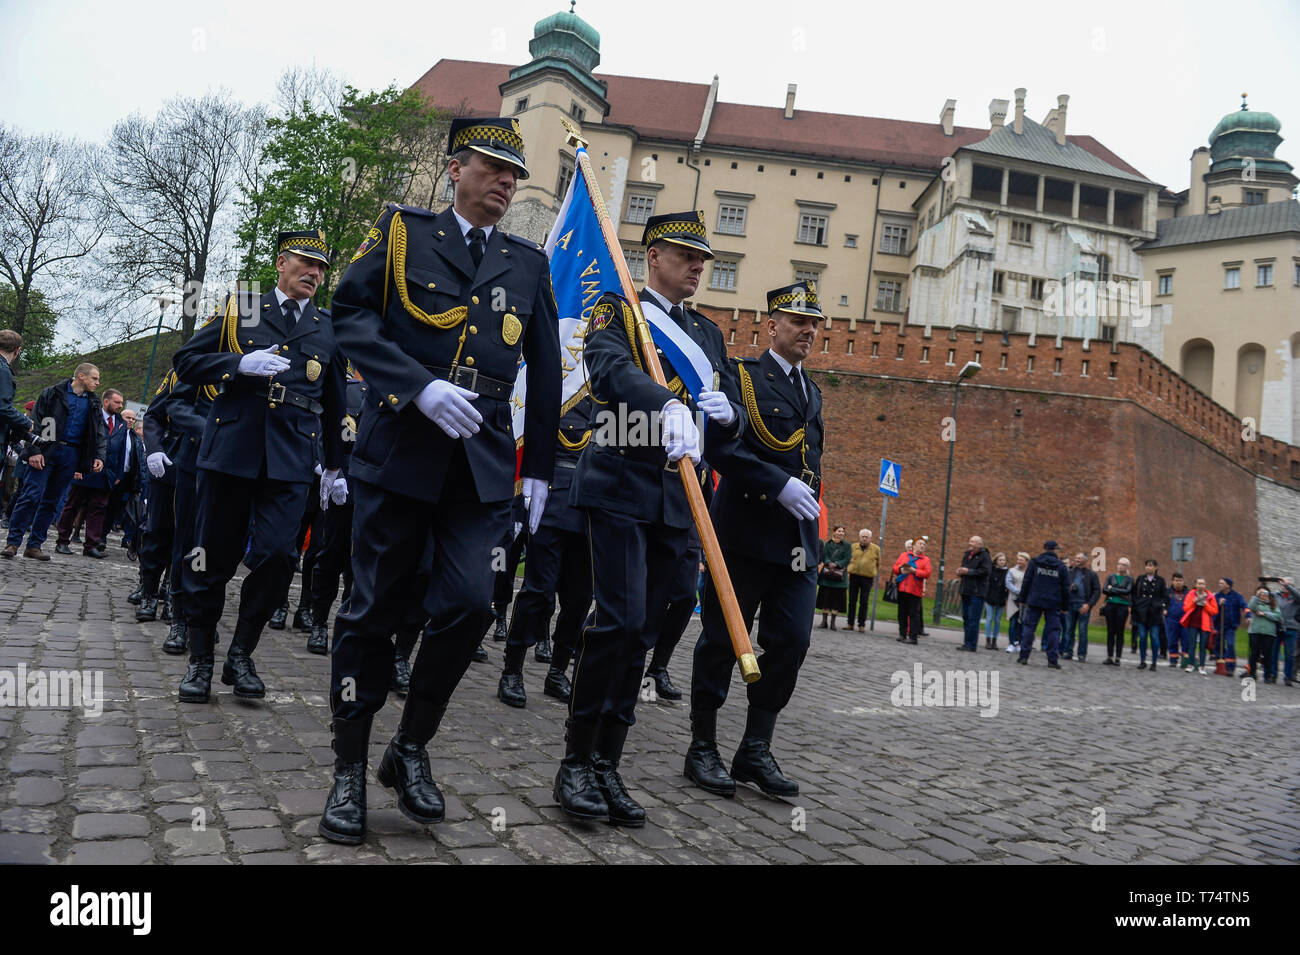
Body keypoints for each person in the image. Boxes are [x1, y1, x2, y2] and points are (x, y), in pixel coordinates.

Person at [318, 118, 560, 845]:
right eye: (492, 167)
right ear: (456, 169)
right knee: (371, 609)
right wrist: (415, 387)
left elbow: (546, 369)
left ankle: (411, 743)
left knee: (467, 606)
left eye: (514, 172)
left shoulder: (527, 263)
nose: (506, 182)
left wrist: (539, 468)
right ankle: (349, 767)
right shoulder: (402, 233)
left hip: (480, 460)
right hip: (401, 447)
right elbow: (350, 317)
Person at [556, 209, 739, 827]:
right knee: (620, 620)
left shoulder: (708, 335)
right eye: (686, 256)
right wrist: (666, 404)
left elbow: (725, 409)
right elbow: (608, 372)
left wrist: (728, 416)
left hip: (676, 497)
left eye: (703, 260)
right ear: (653, 255)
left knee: (650, 628)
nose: (697, 268)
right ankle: (576, 760)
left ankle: (610, 761)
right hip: (619, 480)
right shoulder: (618, 308)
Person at [172, 230, 347, 704]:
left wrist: (335, 466)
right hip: (233, 449)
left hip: (291, 458)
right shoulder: (242, 306)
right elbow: (186, 362)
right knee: (212, 557)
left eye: (321, 268)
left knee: (276, 557)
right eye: (306, 262)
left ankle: (241, 654)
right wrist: (237, 365)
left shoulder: (328, 326)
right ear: (281, 262)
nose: (314, 273)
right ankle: (201, 661)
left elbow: (336, 401)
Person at [685, 281, 823, 801]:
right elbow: (719, 450)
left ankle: (755, 746)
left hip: (797, 544)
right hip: (742, 536)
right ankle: (703, 745)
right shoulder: (740, 377)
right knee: (721, 642)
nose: (808, 330)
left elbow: (810, 463)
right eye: (797, 321)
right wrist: (776, 485)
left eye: (814, 323)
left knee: (792, 641)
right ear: (772, 325)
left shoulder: (814, 392)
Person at [496, 396, 595, 708]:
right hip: (551, 499)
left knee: (580, 595)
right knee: (539, 589)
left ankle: (558, 670)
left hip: (593, 507)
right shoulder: (561, 395)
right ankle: (512, 669)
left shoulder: (612, 402)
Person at [3, 363, 107, 561]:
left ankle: (34, 545)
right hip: (47, 448)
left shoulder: (93, 403)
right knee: (31, 495)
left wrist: (99, 456)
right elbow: (36, 422)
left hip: (71, 454)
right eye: (94, 378)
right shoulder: (52, 393)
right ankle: (13, 542)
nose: (97, 383)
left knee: (53, 501)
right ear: (81, 376)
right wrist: (34, 450)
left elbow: (98, 432)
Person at [307, 367, 368, 655]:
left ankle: (349, 624)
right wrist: (335, 469)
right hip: (344, 483)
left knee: (362, 566)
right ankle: (318, 622)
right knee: (331, 553)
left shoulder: (394, 396)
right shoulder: (346, 390)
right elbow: (326, 427)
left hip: (375, 490)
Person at [52, 388, 128, 558]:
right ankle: (63, 540)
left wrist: (118, 474)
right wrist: (77, 467)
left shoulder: (121, 423)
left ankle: (91, 545)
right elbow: (79, 440)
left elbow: (122, 450)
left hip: (106, 474)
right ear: (106, 401)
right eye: (117, 402)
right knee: (72, 506)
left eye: (121, 403)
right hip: (86, 470)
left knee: (98, 509)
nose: (120, 406)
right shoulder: (91, 416)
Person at [1016, 541, 1069, 668]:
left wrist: (1022, 598)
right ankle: (1052, 660)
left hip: (1035, 599)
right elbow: (1065, 588)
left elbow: (1027, 581)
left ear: (1045, 549)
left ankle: (1023, 656)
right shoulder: (1061, 566)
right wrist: (1065, 607)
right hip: (1053, 602)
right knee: (1053, 631)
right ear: (1055, 550)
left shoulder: (1035, 563)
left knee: (1029, 628)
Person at [1060, 551, 1100, 661]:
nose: (1077, 560)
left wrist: (1088, 604)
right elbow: (1063, 587)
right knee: (1068, 630)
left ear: (1086, 560)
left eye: (1080, 558)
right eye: (1076, 558)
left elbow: (1097, 591)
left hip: (1083, 606)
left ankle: (1082, 654)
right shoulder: (1069, 573)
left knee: (1082, 631)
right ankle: (1067, 651)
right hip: (1070, 604)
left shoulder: (1091, 575)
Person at [1131, 559, 1168, 670]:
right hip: (1141, 612)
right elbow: (1134, 594)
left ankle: (1154, 662)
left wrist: (1161, 605)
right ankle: (1142, 660)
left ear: (1156, 567)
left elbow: (1165, 596)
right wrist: (1136, 605)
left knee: (1154, 637)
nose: (1148, 567)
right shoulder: (1140, 579)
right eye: (1147, 565)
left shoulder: (1161, 581)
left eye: (1151, 566)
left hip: (1154, 613)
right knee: (1142, 637)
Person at [893, 537, 931, 644]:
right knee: (902, 613)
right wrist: (901, 569)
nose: (922, 546)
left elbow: (927, 573)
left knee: (914, 614)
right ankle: (902, 634)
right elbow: (895, 568)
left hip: (915, 590)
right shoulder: (904, 555)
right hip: (903, 588)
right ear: (914, 545)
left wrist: (915, 571)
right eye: (920, 544)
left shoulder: (925, 560)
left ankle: (913, 637)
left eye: (924, 544)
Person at [957, 534, 991, 651]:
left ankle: (972, 644)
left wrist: (969, 571)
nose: (970, 544)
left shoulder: (985, 556)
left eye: (973, 542)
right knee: (966, 617)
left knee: (973, 618)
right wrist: (961, 571)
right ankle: (966, 642)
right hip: (966, 590)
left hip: (977, 592)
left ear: (979, 544)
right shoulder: (967, 555)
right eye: (970, 541)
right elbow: (964, 568)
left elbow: (986, 572)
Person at [1179, 577, 1218, 674]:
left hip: (1205, 624)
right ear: (1195, 585)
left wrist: (1206, 604)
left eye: (1203, 584)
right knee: (1192, 645)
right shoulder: (1191, 594)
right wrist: (1194, 601)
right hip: (1193, 623)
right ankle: (1191, 665)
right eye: (1199, 584)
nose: (1201, 586)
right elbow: (1186, 608)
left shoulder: (1210, 596)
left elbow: (1214, 611)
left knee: (1202, 646)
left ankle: (1202, 666)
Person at [1244, 585, 1282, 683]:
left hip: (1269, 633)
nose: (1263, 595)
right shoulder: (1256, 602)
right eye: (1261, 593)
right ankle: (1252, 673)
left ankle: (1267, 675)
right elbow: (1250, 607)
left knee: (1267, 654)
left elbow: (1278, 616)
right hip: (1255, 631)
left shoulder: (1273, 604)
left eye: (1265, 593)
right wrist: (1256, 596)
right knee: (1254, 653)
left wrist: (1265, 614)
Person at [1099, 558, 1133, 666]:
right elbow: (1104, 589)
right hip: (1110, 605)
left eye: (1123, 565)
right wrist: (1119, 591)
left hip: (1122, 606)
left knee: (1120, 632)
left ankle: (1118, 657)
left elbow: (1128, 591)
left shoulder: (1129, 579)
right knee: (1110, 631)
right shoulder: (1111, 577)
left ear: (1127, 567)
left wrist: (1112, 589)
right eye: (1119, 564)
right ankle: (1109, 656)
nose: (1121, 566)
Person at [846, 528, 880, 633]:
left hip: (867, 577)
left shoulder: (875, 549)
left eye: (866, 537)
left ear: (870, 538)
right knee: (852, 600)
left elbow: (878, 563)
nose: (864, 539)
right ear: (859, 537)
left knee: (864, 601)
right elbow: (848, 559)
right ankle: (850, 623)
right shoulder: (853, 547)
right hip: (854, 575)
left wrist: (874, 573)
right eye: (863, 537)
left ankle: (862, 624)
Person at [817, 525, 850, 630]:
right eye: (839, 531)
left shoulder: (847, 546)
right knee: (825, 599)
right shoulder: (827, 544)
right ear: (834, 532)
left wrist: (837, 564)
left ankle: (833, 623)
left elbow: (848, 558)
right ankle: (824, 621)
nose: (841, 533)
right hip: (827, 575)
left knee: (836, 600)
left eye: (842, 532)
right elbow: (823, 555)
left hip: (839, 576)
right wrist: (828, 563)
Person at [1212, 578, 1246, 676]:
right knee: (1219, 645)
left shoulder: (1236, 596)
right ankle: (1220, 666)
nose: (1219, 585)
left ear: (1228, 585)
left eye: (1222, 583)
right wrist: (1219, 604)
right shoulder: (1217, 596)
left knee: (1230, 644)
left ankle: (1230, 667)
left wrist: (1247, 614)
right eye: (1219, 583)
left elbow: (1244, 605)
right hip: (1219, 625)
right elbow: (1212, 608)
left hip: (1231, 625)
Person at [1273, 578, 1299, 687]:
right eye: (1283, 585)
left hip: (1291, 628)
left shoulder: (1295, 597)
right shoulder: (1276, 595)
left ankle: (1288, 677)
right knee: (1274, 653)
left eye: (1287, 585)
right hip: (1277, 627)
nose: (1284, 586)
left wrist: (1288, 586)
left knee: (1289, 654)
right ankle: (1272, 675)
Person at [1004, 552, 1028, 653]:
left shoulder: (1030, 572)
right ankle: (1011, 643)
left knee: (1022, 623)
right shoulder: (1012, 571)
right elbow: (1008, 583)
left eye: (1021, 560)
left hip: (1025, 601)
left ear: (1026, 561)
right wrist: (1018, 591)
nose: (1019, 562)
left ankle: (1019, 642)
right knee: (1013, 622)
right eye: (1018, 560)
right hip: (1013, 599)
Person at [983, 552, 1008, 649]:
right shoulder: (991, 571)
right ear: (996, 561)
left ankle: (994, 640)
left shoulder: (1007, 572)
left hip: (1001, 599)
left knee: (997, 620)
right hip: (990, 597)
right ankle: (988, 640)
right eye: (1000, 560)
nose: (1002, 562)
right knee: (989, 619)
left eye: (1003, 560)